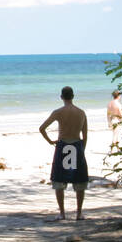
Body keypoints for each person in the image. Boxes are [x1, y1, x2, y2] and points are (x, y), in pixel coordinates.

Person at [39, 86, 88, 220]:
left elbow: (42, 128)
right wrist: (82, 150)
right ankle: (79, 213)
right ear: (73, 96)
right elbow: (85, 135)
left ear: (61, 97)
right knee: (79, 181)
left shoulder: (58, 112)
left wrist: (50, 141)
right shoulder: (81, 112)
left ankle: (62, 213)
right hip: (77, 145)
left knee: (59, 180)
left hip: (63, 145)